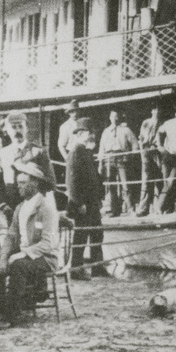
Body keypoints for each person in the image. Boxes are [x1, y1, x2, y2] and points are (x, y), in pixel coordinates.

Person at [0, 161, 60, 327]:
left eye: (22, 183)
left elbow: (48, 243)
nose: (17, 187)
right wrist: (3, 257)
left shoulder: (46, 208)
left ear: (34, 183)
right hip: (25, 255)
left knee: (19, 266)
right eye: (17, 183)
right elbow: (11, 236)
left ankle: (10, 316)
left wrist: (23, 254)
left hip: (46, 258)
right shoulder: (20, 207)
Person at [0, 111, 57, 226]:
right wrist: (3, 205)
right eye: (13, 127)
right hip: (10, 211)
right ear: (7, 131)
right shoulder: (2, 154)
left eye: (21, 126)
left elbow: (50, 183)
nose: (17, 130)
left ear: (27, 129)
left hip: (33, 211)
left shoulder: (38, 152)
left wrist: (37, 203)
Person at [65, 117, 107, 278]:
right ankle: (76, 270)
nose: (92, 136)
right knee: (81, 236)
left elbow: (93, 177)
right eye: (90, 132)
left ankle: (97, 267)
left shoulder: (86, 152)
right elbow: (72, 180)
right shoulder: (76, 151)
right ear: (81, 133)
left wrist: (99, 197)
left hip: (92, 202)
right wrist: (78, 202)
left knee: (97, 233)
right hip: (82, 203)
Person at [99, 108, 138, 216]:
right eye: (112, 116)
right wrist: (100, 163)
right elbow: (101, 148)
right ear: (109, 118)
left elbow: (135, 144)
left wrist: (130, 156)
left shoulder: (126, 130)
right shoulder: (106, 131)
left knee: (126, 185)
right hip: (109, 159)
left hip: (122, 158)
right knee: (111, 186)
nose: (114, 119)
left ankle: (131, 209)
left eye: (116, 116)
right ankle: (115, 210)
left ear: (119, 117)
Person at [136, 103, 163, 216]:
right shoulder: (146, 122)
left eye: (158, 109)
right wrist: (143, 150)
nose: (157, 111)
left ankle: (158, 207)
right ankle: (143, 208)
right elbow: (142, 138)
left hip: (157, 151)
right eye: (155, 109)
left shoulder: (162, 123)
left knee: (159, 178)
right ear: (152, 111)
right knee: (146, 179)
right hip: (147, 151)